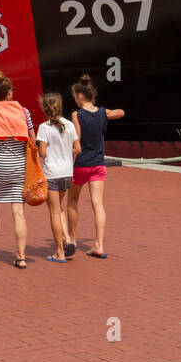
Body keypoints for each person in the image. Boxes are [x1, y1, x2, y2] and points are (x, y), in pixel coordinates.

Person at [0, 70, 35, 268]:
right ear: (9, 93)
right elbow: (32, 140)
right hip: (20, 166)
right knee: (18, 211)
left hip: (0, 165)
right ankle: (20, 257)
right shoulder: (25, 112)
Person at [67, 74, 124, 260]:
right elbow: (121, 112)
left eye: (75, 96)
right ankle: (99, 244)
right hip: (98, 165)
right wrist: (105, 112)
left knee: (73, 201)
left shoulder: (77, 114)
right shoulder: (102, 112)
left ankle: (73, 239)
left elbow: (77, 141)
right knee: (98, 204)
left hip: (81, 164)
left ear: (80, 96)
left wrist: (70, 161)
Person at [36, 92, 77, 263]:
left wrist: (39, 150)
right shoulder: (70, 125)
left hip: (51, 173)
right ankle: (67, 238)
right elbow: (76, 148)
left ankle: (59, 252)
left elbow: (43, 152)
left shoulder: (44, 127)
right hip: (67, 172)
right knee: (59, 207)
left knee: (53, 211)